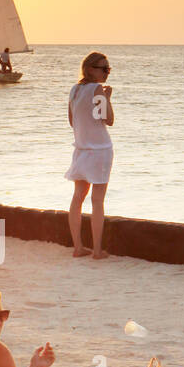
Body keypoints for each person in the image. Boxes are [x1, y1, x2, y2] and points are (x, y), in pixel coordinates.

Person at [66, 51, 114, 260]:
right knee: (97, 200)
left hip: (81, 150)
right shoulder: (97, 89)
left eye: (108, 69)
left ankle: (78, 247)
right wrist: (107, 98)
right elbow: (109, 119)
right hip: (100, 150)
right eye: (104, 68)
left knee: (78, 199)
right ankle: (96, 250)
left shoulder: (75, 90)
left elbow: (72, 121)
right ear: (90, 69)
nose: (107, 72)